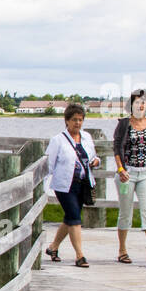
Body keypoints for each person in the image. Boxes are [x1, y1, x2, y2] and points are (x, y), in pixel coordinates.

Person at [113, 88, 146, 266]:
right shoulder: (124, 124)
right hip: (127, 173)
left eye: (144, 102)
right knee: (125, 213)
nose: (141, 104)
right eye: (137, 101)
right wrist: (121, 169)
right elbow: (117, 149)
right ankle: (122, 250)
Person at [45, 103, 100, 267]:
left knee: (70, 218)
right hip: (64, 186)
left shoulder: (86, 137)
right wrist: (43, 187)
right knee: (75, 219)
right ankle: (80, 255)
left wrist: (96, 161)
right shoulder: (58, 140)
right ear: (67, 121)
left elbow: (94, 156)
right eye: (74, 120)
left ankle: (53, 247)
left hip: (83, 183)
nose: (78, 123)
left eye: (80, 120)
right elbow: (48, 165)